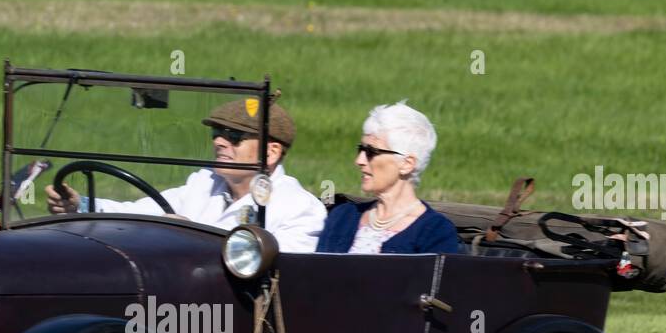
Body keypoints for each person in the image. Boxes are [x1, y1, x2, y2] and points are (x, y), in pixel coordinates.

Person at [45, 97, 326, 253]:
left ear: (271, 153)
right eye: (217, 134)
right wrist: (81, 205)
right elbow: (139, 213)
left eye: (234, 136)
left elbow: (275, 275)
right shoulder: (204, 183)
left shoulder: (299, 209)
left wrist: (193, 237)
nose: (219, 142)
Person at [315, 102, 459, 255]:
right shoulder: (342, 217)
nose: (359, 160)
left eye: (371, 152)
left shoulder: (435, 232)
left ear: (406, 164)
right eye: (361, 149)